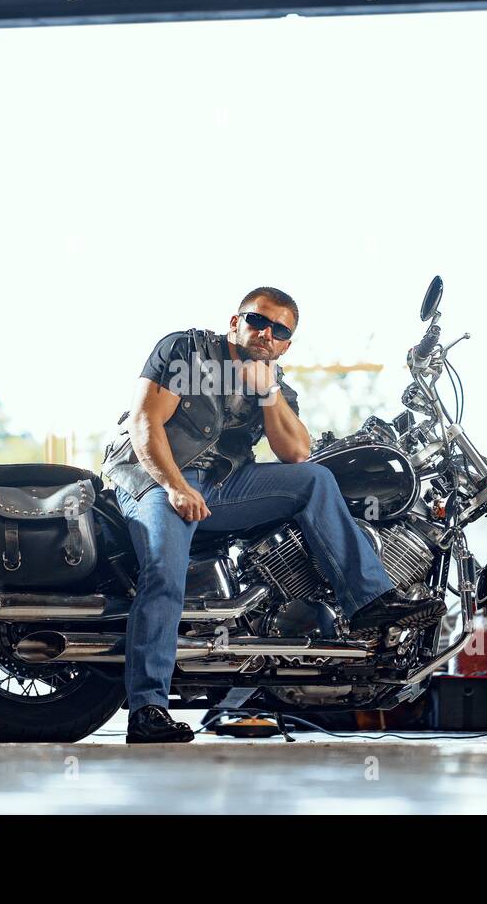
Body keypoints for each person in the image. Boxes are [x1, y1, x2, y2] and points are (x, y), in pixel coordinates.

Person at [102, 286, 446, 744]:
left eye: (279, 330)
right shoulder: (186, 351)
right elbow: (145, 423)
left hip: (223, 485)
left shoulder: (275, 384)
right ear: (235, 322)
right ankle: (148, 709)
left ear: (287, 343)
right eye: (257, 321)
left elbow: (297, 452)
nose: (266, 333)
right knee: (164, 571)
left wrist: (268, 393)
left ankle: (368, 602)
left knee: (316, 480)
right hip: (154, 476)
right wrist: (175, 487)